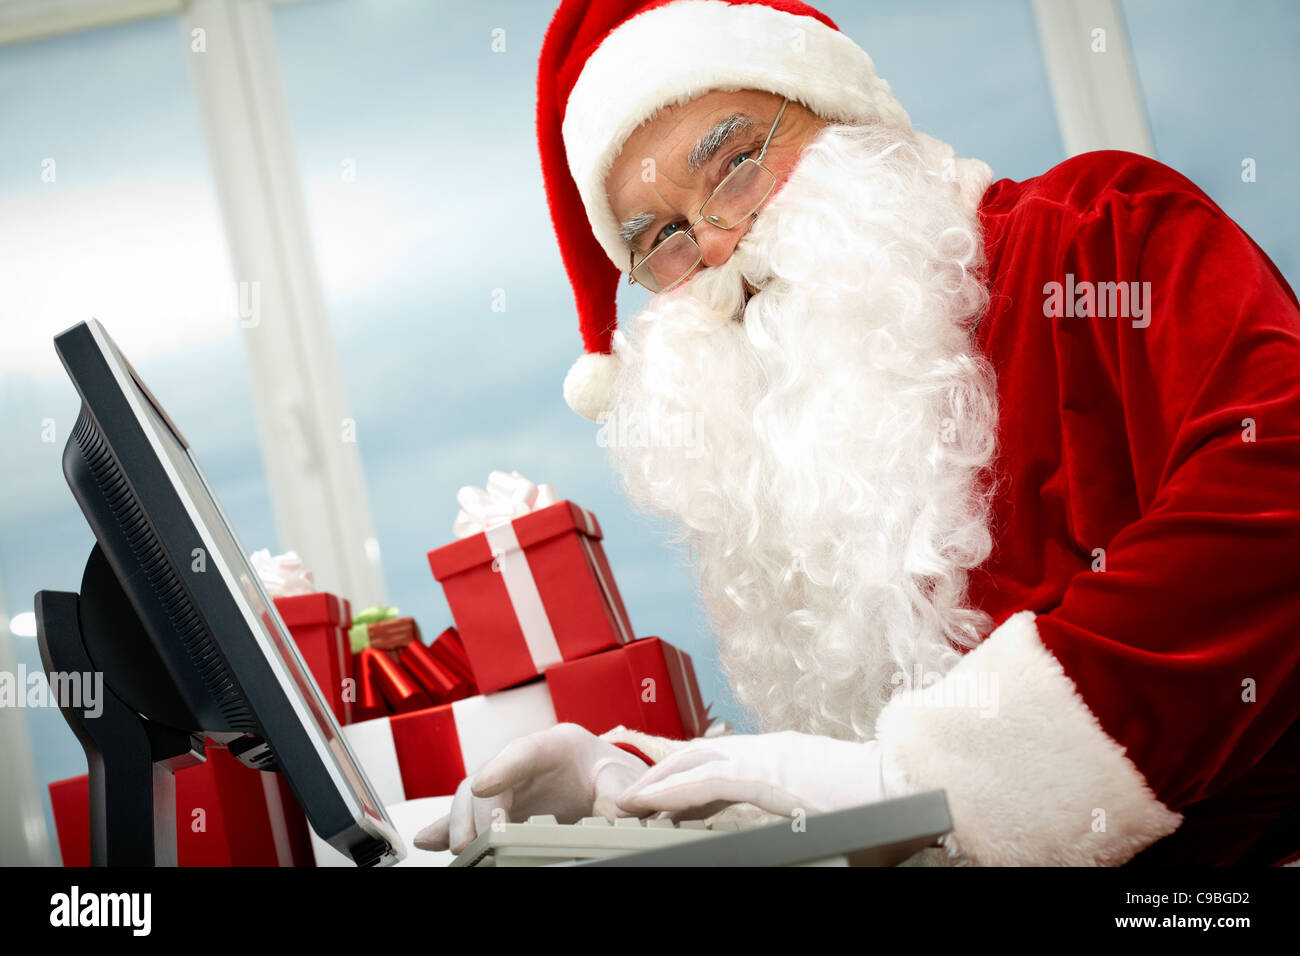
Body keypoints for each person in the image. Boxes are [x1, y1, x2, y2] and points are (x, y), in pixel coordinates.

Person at [417, 0, 1300, 866]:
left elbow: (1278, 487)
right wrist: (655, 796)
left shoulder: (1099, 232)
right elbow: (844, 779)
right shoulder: (777, 444)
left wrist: (936, 776)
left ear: (846, 120)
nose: (721, 243)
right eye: (668, 240)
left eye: (734, 166)